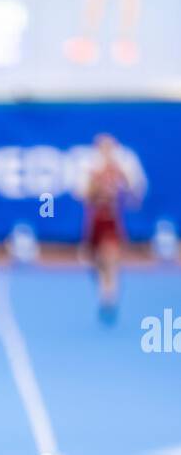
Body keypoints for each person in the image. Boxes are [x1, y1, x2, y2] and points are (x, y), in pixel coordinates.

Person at [82, 135, 135, 321]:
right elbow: (85, 196)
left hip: (111, 223)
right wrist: (97, 186)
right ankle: (105, 290)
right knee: (96, 264)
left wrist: (125, 189)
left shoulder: (119, 171)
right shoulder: (92, 172)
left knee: (110, 261)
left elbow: (133, 197)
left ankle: (108, 299)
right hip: (95, 224)